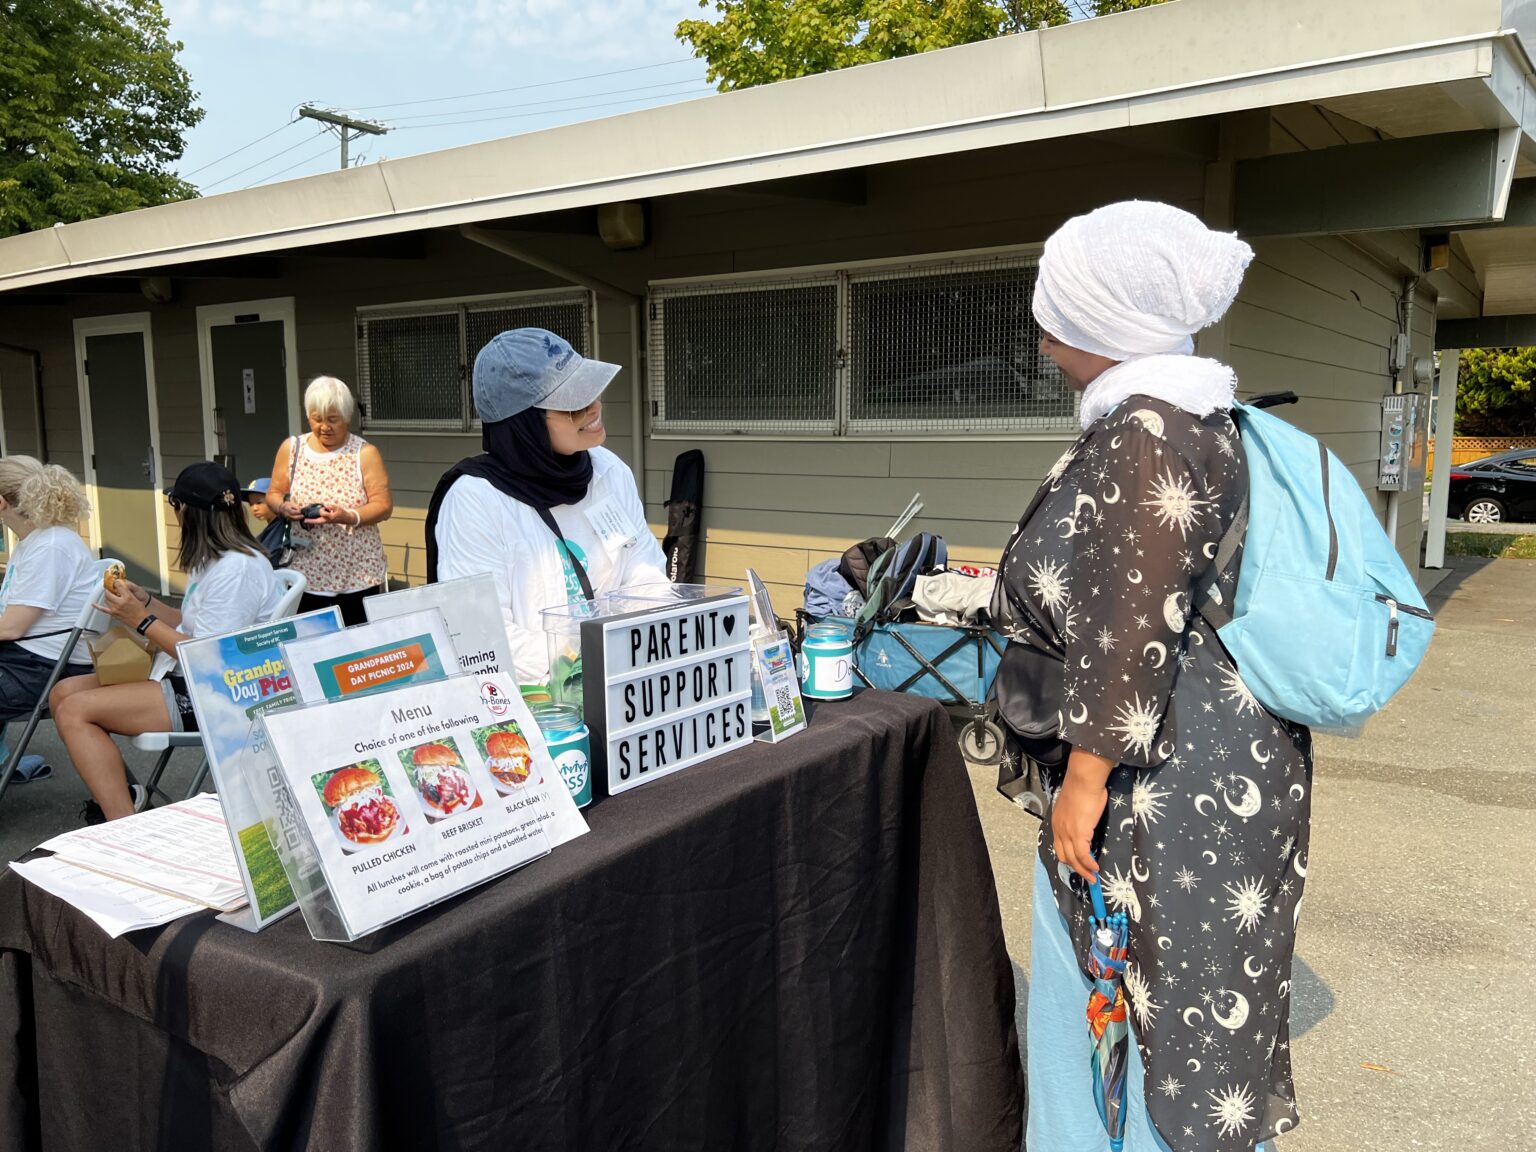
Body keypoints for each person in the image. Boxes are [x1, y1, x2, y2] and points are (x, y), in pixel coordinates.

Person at [991, 201, 1305, 1152]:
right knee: (1203, 1017)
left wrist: (1082, 786)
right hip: (1222, 767)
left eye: (1058, 315)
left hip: (1157, 788)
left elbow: (1135, 631)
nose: (1045, 339)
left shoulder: (1147, 431)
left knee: (1129, 1010)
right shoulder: (1206, 414)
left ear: (1103, 325)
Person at [425, 328, 668, 693]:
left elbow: (644, 575)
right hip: (533, 705)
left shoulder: (607, 471)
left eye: (591, 391)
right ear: (524, 423)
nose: (594, 407)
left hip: (626, 685)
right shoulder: (475, 499)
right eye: (573, 404)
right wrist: (598, 663)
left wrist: (652, 648)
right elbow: (483, 636)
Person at [52, 462, 281, 823]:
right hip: (192, 676)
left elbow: (205, 656)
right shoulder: (215, 559)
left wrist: (140, 621)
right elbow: (191, 626)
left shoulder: (237, 569)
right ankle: (126, 795)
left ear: (188, 511)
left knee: (74, 710)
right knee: (62, 693)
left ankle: (124, 826)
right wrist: (146, 603)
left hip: (218, 692)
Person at [0, 456, 98, 782]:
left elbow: (12, 627)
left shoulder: (50, 547)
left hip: (44, 668)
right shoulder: (39, 542)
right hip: (34, 661)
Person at [265, 376, 392, 625]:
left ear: (347, 417)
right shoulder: (292, 449)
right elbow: (273, 493)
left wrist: (348, 516)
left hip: (358, 572)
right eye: (317, 418)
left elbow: (383, 505)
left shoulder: (364, 453)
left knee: (358, 645)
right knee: (310, 643)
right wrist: (282, 507)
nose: (324, 427)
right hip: (306, 572)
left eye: (333, 419)